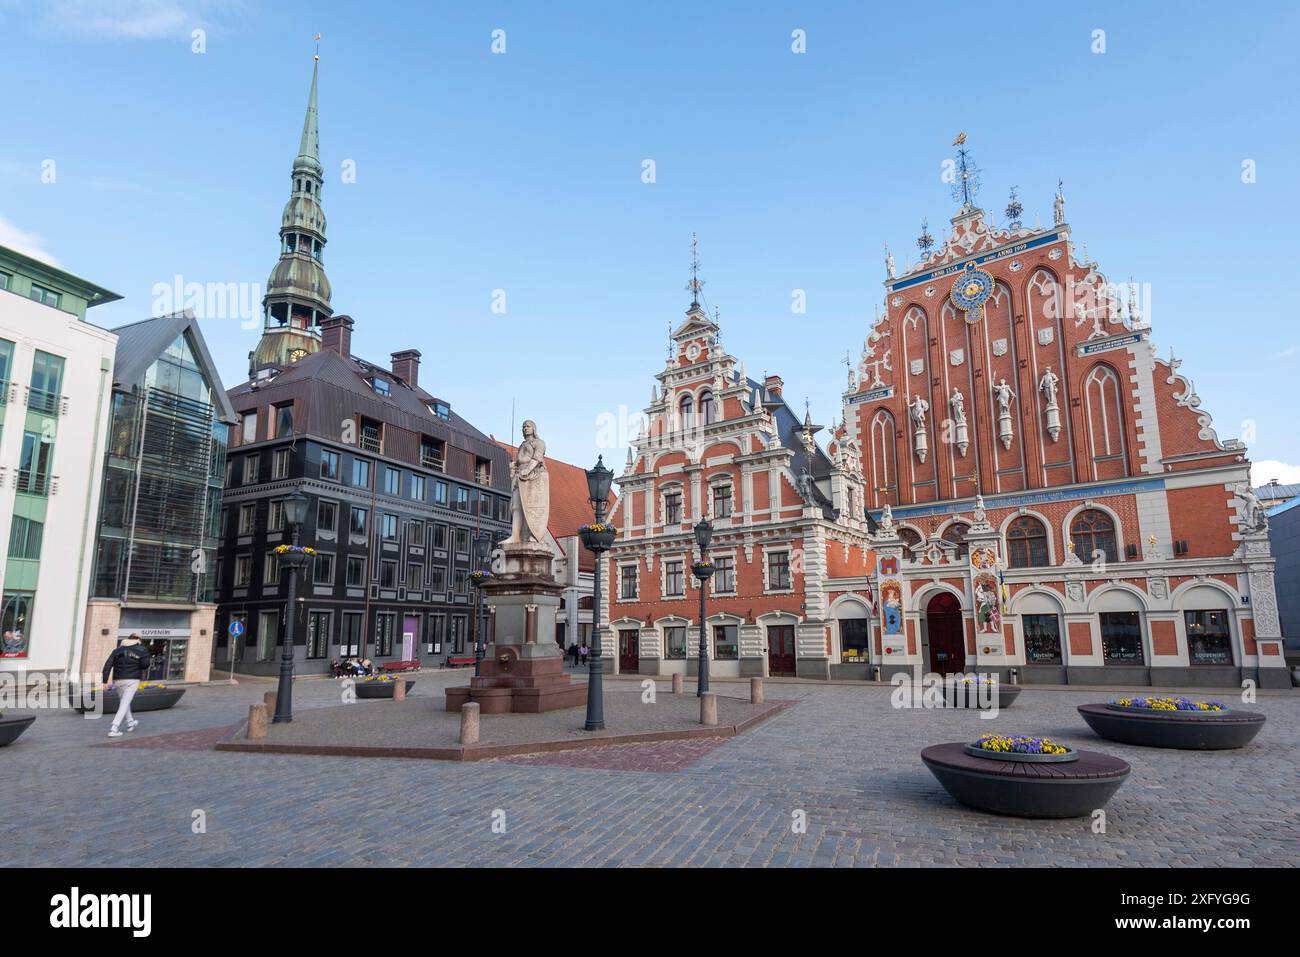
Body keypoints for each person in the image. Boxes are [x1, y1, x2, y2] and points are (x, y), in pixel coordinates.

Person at [101, 634, 152, 738]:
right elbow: (145, 665)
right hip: (132, 680)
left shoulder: (117, 650)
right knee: (125, 703)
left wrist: (104, 681)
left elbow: (107, 665)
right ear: (138, 640)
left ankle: (130, 722)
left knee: (125, 701)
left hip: (118, 680)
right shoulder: (142, 649)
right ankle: (114, 728)